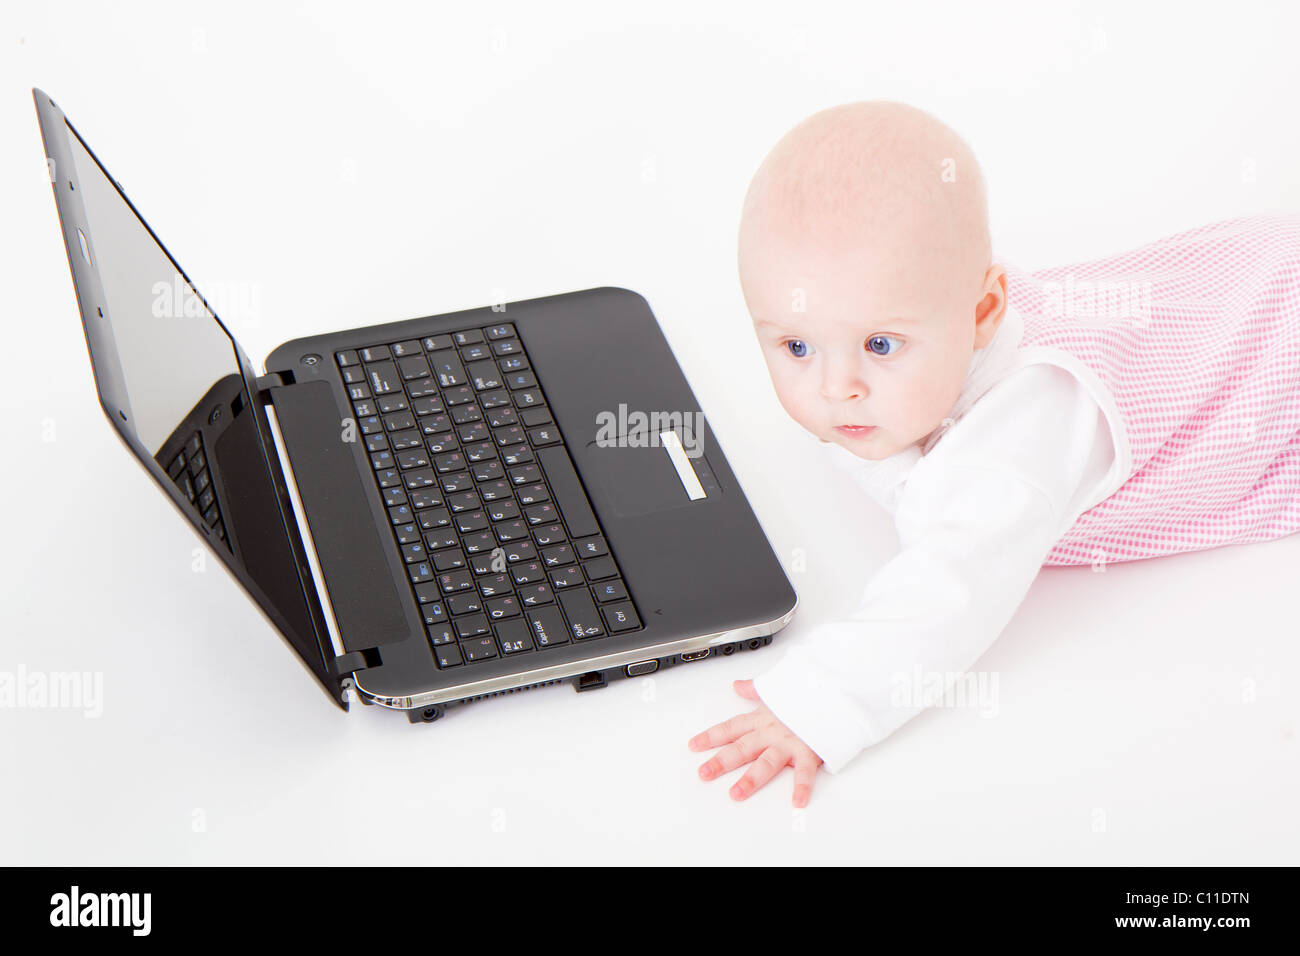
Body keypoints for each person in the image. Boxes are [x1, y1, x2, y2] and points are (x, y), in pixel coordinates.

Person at [689, 100, 1300, 807]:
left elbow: (951, 591)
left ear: (983, 313)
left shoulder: (1015, 438)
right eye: (796, 347)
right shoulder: (927, 323)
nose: (836, 389)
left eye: (880, 345)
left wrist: (819, 703)